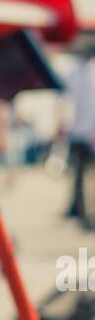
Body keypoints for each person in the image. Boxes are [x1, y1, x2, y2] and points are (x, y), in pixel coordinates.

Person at [64, 50, 95, 226]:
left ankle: (87, 213)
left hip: (87, 133)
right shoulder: (76, 72)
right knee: (78, 173)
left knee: (88, 176)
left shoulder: (88, 74)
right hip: (78, 132)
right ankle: (78, 209)